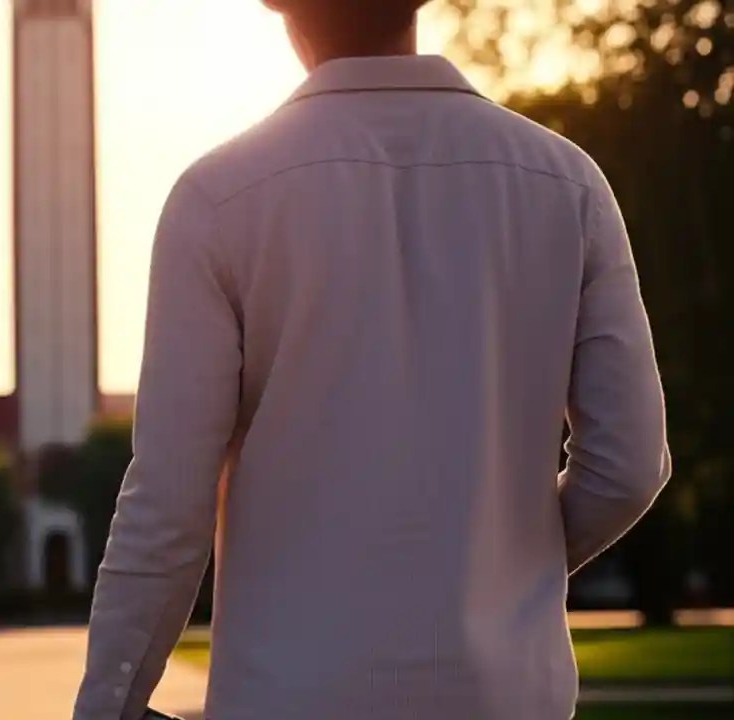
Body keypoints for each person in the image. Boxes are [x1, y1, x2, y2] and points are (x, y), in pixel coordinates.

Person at [73, 1, 671, 718]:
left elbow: (170, 504)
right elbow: (630, 464)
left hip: (293, 694)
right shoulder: (569, 184)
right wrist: (490, 573)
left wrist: (109, 701)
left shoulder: (218, 199)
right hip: (507, 695)